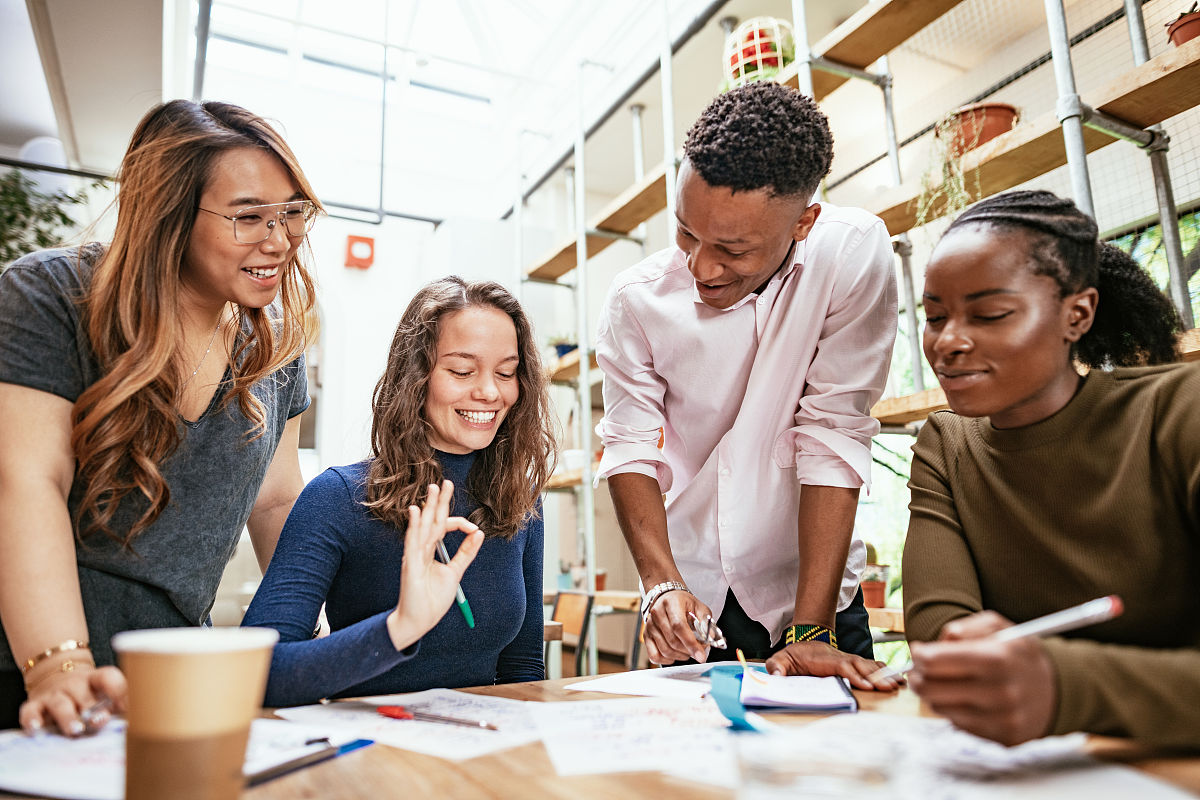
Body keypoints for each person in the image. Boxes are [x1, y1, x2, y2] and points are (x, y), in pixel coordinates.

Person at [0, 100, 320, 732]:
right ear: (168, 213)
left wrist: (312, 653)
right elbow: (26, 481)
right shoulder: (51, 296)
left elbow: (278, 504)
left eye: (291, 214)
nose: (279, 240)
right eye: (248, 217)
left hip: (168, 677)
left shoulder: (274, 346)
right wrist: (58, 669)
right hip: (27, 668)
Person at [595, 80, 901, 689]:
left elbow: (833, 432)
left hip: (813, 593)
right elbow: (630, 445)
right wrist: (660, 583)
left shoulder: (852, 254)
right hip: (693, 598)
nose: (701, 268)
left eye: (733, 250)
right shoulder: (635, 301)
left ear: (803, 223)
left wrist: (810, 630)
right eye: (686, 233)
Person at [904, 189, 1200, 749]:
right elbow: (941, 636)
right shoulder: (947, 443)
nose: (948, 343)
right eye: (935, 317)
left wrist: (1067, 685)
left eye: (989, 314)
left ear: (1077, 314)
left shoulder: (1180, 413)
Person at [242, 277, 555, 707]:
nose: (489, 391)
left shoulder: (520, 502)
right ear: (417, 375)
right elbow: (256, 673)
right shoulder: (337, 499)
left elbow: (522, 669)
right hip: (372, 754)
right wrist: (400, 627)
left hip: (481, 752)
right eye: (462, 371)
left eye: (506, 372)